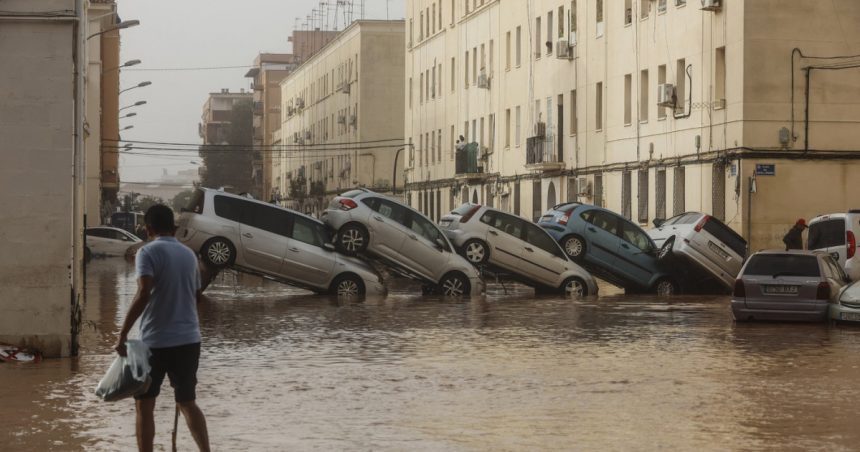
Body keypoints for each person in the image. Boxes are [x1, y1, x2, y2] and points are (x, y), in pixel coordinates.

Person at [114, 204, 211, 452]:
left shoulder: (146, 253)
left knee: (144, 405)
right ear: (175, 228)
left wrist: (124, 332)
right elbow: (197, 296)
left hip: (154, 343)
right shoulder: (190, 255)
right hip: (189, 340)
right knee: (188, 402)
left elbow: (143, 292)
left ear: (147, 229)